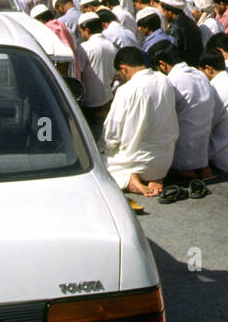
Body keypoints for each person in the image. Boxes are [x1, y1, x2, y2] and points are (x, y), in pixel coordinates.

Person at [102, 47, 179, 196]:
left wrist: (104, 148)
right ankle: (156, 178)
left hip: (136, 162)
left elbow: (112, 131)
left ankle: (129, 180)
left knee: (98, 161)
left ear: (123, 69)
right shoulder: (165, 81)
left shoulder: (126, 90)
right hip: (164, 162)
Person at [151, 41, 215, 182]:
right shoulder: (200, 75)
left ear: (162, 64)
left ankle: (182, 171)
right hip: (203, 152)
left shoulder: (172, 80)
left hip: (182, 156)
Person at [76, 12, 116, 131]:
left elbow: (78, 73)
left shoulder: (84, 48)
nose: (81, 35)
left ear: (86, 30)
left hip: (89, 103)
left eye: (81, 31)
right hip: (107, 99)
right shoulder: (111, 46)